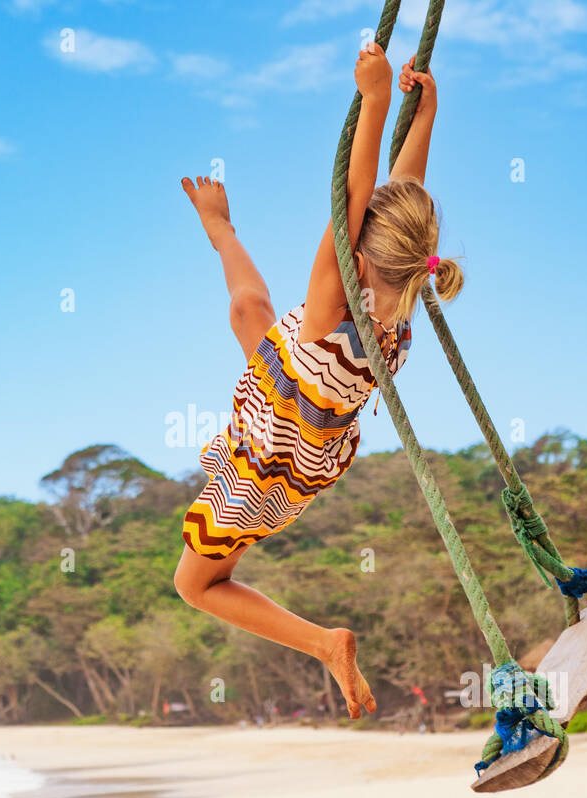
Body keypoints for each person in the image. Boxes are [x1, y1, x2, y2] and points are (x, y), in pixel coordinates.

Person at [173, 46, 463, 719]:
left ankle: (324, 644)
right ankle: (222, 230)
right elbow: (399, 196)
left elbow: (356, 195)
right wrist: (427, 116)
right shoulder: (401, 299)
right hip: (303, 402)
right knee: (248, 311)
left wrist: (376, 102)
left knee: (197, 585)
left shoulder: (338, 295)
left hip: (271, 452)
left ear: (359, 256)